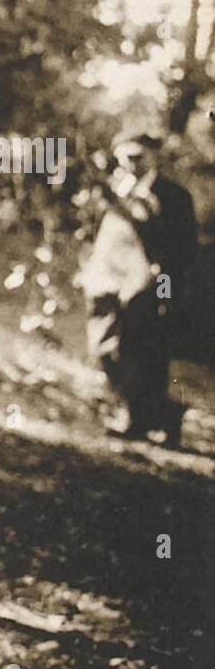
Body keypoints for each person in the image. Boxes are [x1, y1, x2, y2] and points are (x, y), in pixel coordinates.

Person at [83, 134, 198, 447]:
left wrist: (165, 294)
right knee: (109, 347)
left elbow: (181, 251)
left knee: (150, 350)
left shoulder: (173, 196)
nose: (132, 164)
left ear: (153, 156)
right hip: (111, 283)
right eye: (126, 157)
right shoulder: (116, 189)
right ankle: (149, 415)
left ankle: (152, 423)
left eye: (138, 157)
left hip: (156, 284)